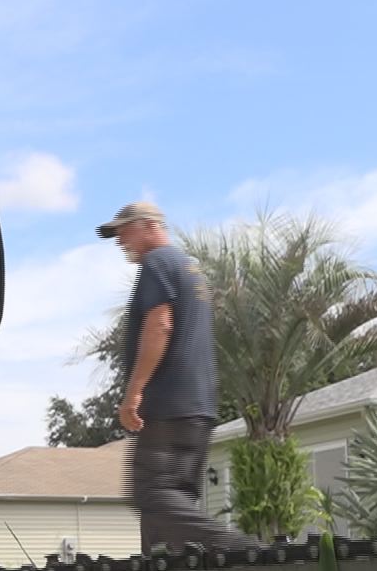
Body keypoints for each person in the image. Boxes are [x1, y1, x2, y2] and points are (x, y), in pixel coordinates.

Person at [96, 201, 257, 553]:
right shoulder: (190, 269)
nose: (120, 240)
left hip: (168, 407)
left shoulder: (157, 263)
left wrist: (133, 393)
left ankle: (236, 548)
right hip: (197, 408)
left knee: (152, 494)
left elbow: (160, 324)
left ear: (150, 225)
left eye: (125, 230)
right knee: (172, 503)